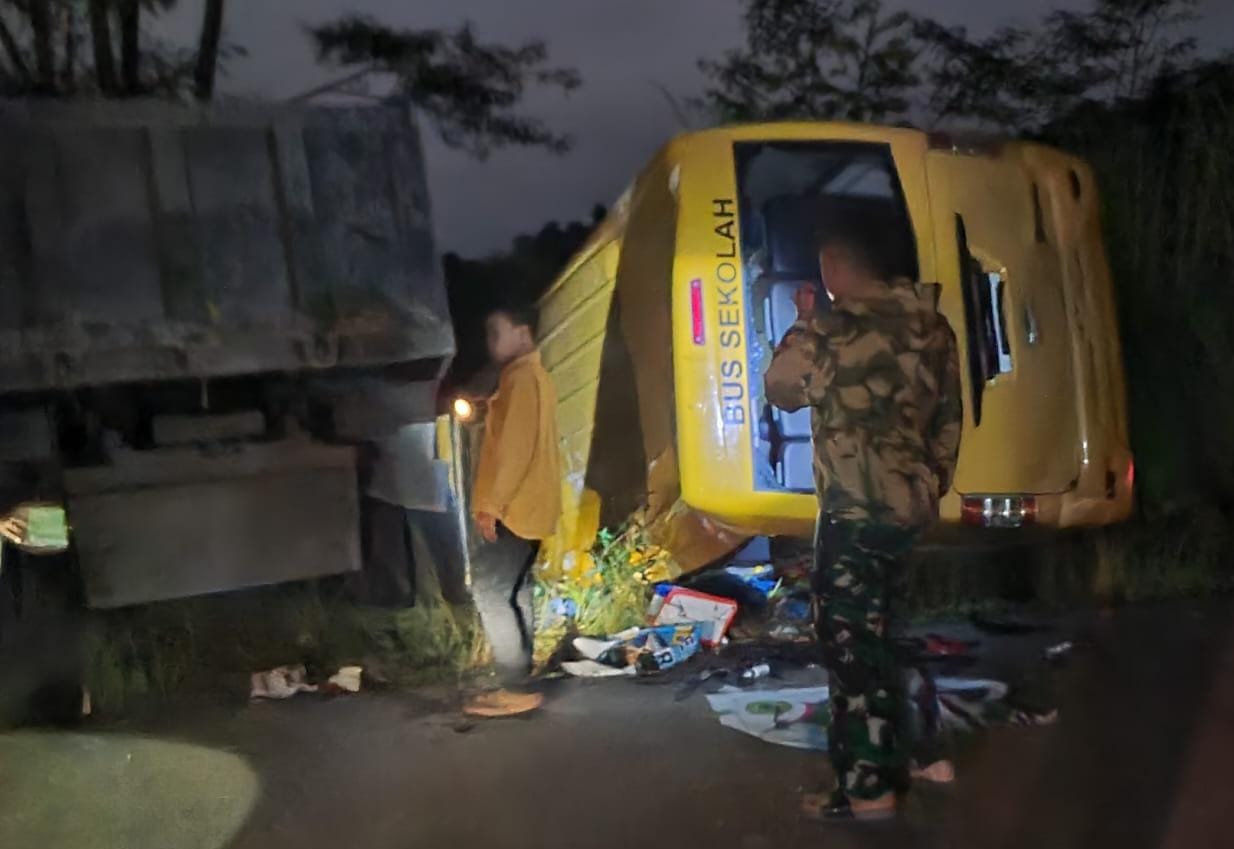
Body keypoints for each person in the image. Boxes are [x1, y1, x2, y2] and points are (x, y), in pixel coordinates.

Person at [764, 227, 962, 821]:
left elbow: (781, 391)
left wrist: (803, 318)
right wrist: (930, 484)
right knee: (888, 634)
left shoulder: (830, 327)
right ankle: (914, 756)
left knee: (851, 649)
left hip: (854, 510)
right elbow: (949, 415)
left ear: (832, 274)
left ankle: (870, 788)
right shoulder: (931, 325)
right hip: (908, 507)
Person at [464, 301, 562, 717]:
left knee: (489, 589)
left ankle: (513, 686)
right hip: (532, 505)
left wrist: (491, 505)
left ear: (522, 332)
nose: (490, 343)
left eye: (495, 332)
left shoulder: (522, 378)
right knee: (515, 589)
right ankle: (521, 680)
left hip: (514, 507)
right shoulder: (532, 376)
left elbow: (516, 451)